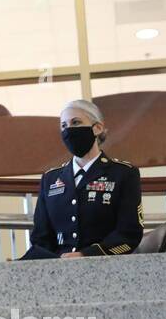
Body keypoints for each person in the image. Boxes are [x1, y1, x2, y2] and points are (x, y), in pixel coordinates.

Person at [20, 98, 143, 259]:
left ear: (97, 128)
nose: (69, 130)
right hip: (57, 270)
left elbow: (129, 234)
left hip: (104, 264)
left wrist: (86, 254)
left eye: (76, 122)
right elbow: (40, 239)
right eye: (64, 126)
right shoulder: (50, 179)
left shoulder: (123, 173)